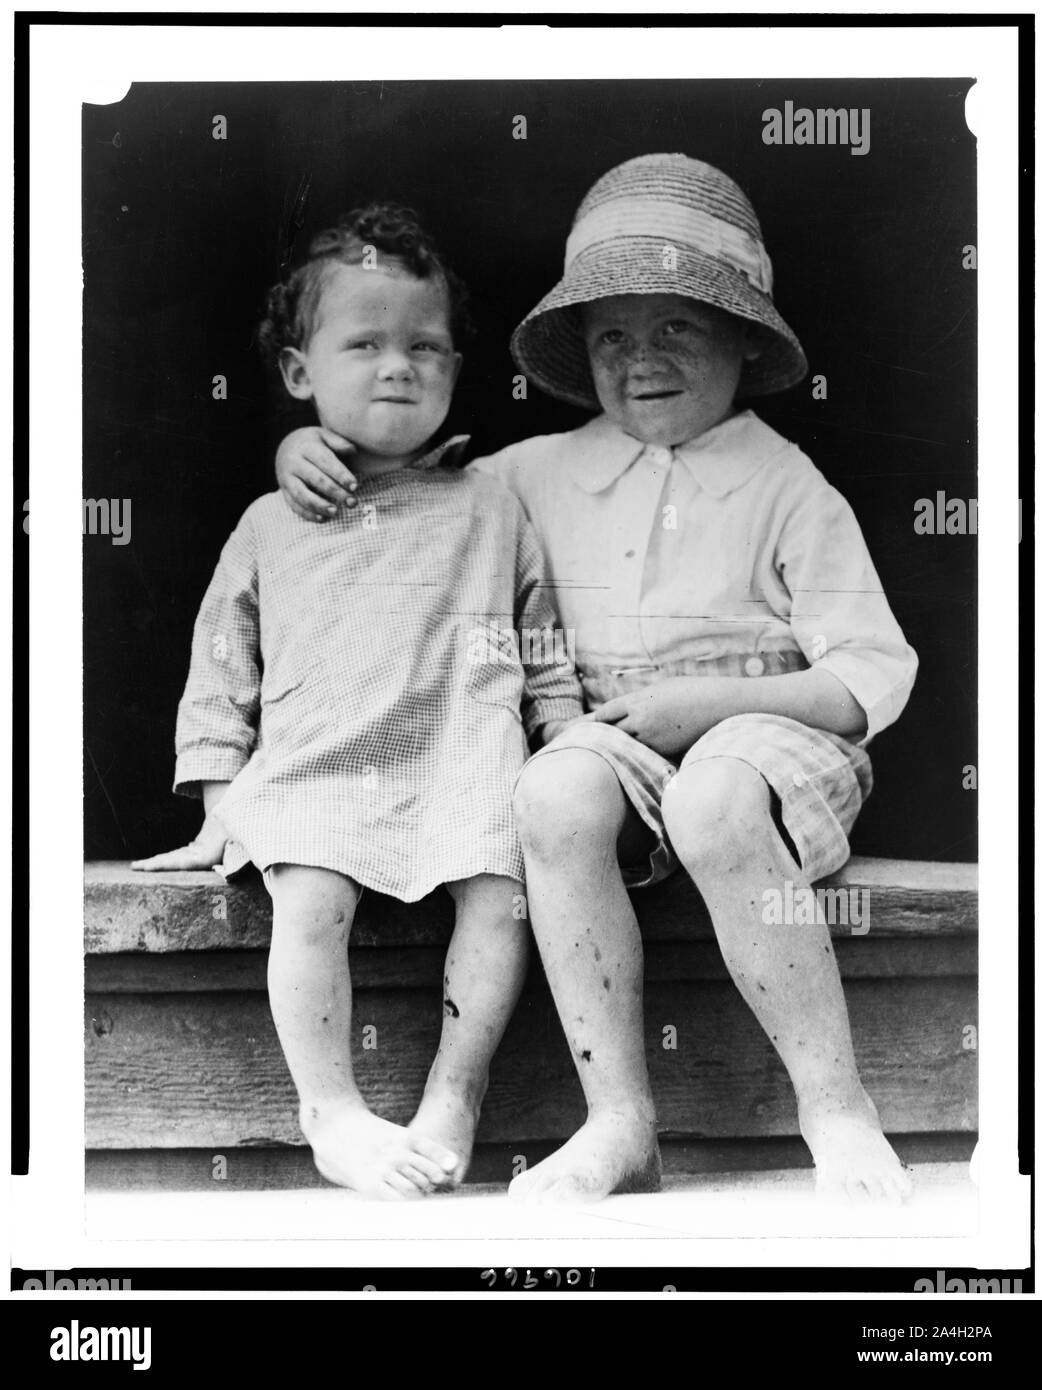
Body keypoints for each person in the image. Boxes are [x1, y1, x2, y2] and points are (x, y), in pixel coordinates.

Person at [274, 156, 919, 1205]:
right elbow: (397, 486)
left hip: (769, 735)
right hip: (618, 742)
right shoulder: (531, 472)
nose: (641, 360)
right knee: (550, 788)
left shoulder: (784, 483)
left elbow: (865, 678)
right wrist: (305, 447)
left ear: (744, 339)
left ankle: (834, 1107)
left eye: (677, 328)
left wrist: (703, 707)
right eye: (613, 334)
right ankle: (618, 1121)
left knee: (712, 800)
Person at [133, 203, 583, 1199]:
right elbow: (223, 653)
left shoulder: (491, 503)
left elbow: (540, 634)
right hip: (323, 758)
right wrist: (218, 795)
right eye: (365, 343)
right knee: (311, 898)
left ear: (457, 369)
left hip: (462, 751)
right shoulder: (268, 518)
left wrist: (563, 738)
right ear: (301, 374)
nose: (399, 366)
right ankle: (329, 1107)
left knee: (502, 894)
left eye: (426, 346)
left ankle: (453, 1094)